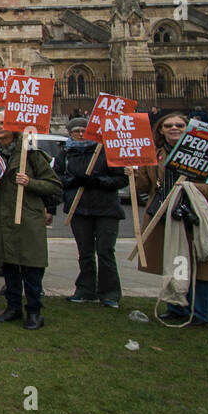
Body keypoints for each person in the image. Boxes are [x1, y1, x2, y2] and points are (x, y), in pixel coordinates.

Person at [0, 109, 62, 330]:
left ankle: (34, 311)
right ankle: (12, 307)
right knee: (8, 264)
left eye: (3, 122)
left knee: (31, 266)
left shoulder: (31, 153)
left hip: (26, 215)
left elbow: (55, 186)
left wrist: (30, 182)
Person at [135, 112, 208, 326]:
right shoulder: (154, 155)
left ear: (188, 128)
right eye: (169, 125)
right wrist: (133, 174)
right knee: (176, 262)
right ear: (161, 130)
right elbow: (144, 187)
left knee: (201, 267)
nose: (174, 128)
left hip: (194, 215)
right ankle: (177, 307)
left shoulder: (204, 154)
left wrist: (189, 186)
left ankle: (202, 314)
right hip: (166, 215)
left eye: (179, 124)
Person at [53, 116, 127, 307]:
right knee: (85, 252)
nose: (79, 134)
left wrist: (98, 181)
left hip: (106, 208)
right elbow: (58, 177)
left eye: (83, 131)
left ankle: (109, 293)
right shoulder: (66, 153)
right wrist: (73, 181)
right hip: (79, 209)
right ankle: (86, 289)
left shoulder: (105, 152)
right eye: (75, 131)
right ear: (70, 134)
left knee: (105, 251)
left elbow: (120, 180)